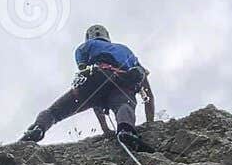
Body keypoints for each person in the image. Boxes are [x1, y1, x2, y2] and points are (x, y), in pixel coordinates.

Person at [20, 25, 154, 149]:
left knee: (54, 112)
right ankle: (126, 130)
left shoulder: (87, 46)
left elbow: (94, 95)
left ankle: (38, 128)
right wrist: (150, 123)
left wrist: (105, 129)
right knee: (124, 104)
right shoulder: (125, 50)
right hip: (121, 83)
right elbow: (149, 96)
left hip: (94, 79)